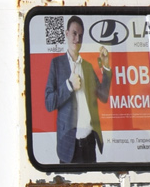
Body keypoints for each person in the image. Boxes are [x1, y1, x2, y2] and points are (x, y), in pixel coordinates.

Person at [44, 15, 112, 163]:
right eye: (74, 33)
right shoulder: (56, 64)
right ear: (67, 33)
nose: (77, 38)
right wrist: (68, 85)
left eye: (80, 35)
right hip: (68, 147)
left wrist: (106, 67)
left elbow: (103, 96)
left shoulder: (87, 66)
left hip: (89, 145)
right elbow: (49, 103)